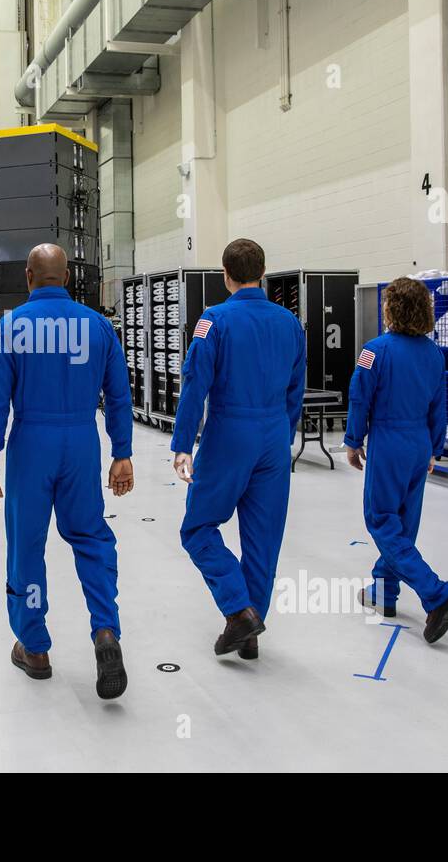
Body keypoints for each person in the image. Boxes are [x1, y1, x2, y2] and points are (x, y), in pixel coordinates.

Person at [0, 243, 134, 699]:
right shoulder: (100, 326)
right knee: (91, 538)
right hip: (82, 442)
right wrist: (121, 452)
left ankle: (36, 647)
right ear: (66, 278)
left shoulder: (8, 329)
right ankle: (105, 630)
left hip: (32, 444)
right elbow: (119, 396)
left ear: (28, 277)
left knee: (27, 545)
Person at [171, 239, 305, 660]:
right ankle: (249, 632)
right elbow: (295, 390)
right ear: (262, 272)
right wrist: (282, 437)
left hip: (230, 432)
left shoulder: (215, 321)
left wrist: (182, 444)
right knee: (263, 541)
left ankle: (238, 609)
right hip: (274, 435)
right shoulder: (291, 324)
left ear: (225, 275)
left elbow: (196, 385)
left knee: (197, 528)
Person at [345, 277, 448, 643]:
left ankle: (436, 593)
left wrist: (353, 440)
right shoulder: (434, 354)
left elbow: (360, 399)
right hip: (418, 444)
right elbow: (438, 406)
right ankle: (384, 592)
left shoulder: (374, 351)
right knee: (403, 522)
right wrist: (433, 448)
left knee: (382, 520)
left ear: (390, 309)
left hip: (389, 441)